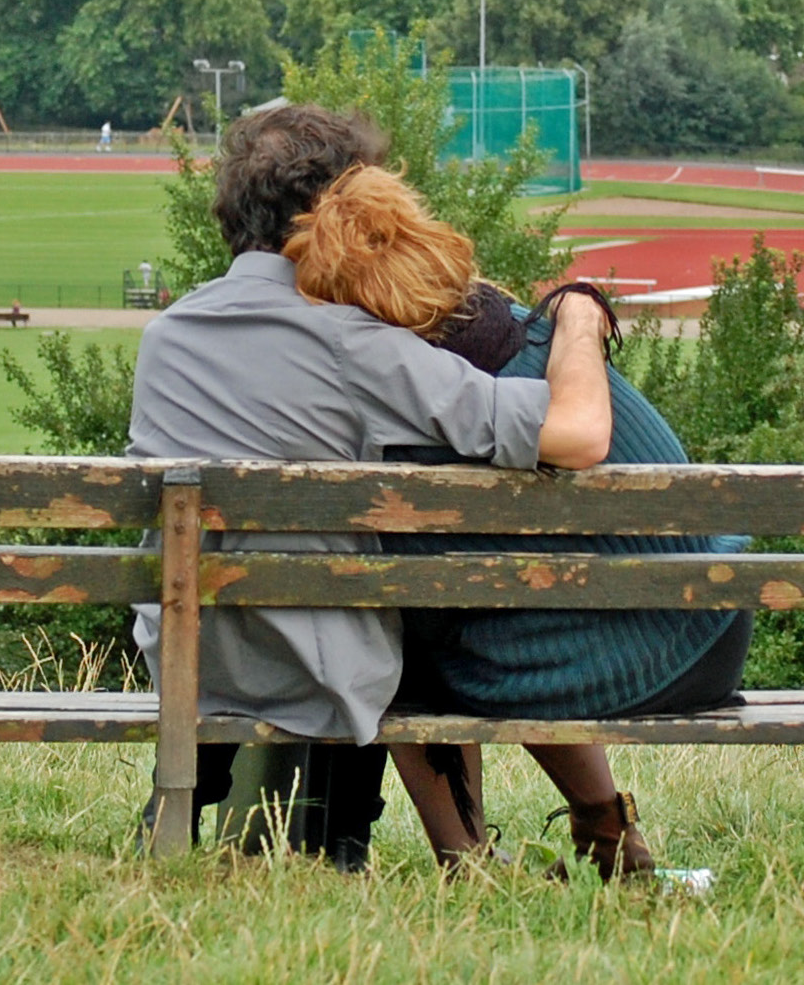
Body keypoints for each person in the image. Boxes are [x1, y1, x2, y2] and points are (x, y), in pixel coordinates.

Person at [126, 104, 612, 871]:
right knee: (414, 606)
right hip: (322, 676)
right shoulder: (356, 342)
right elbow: (577, 435)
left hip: (191, 659)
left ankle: (203, 814)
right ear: (341, 209)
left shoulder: (164, 339)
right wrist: (579, 320)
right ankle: (436, 851)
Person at [284, 164, 755, 880]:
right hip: (709, 630)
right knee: (528, 609)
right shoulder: (541, 340)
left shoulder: (423, 409)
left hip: (611, 663)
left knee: (400, 635)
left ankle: (465, 857)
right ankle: (609, 836)